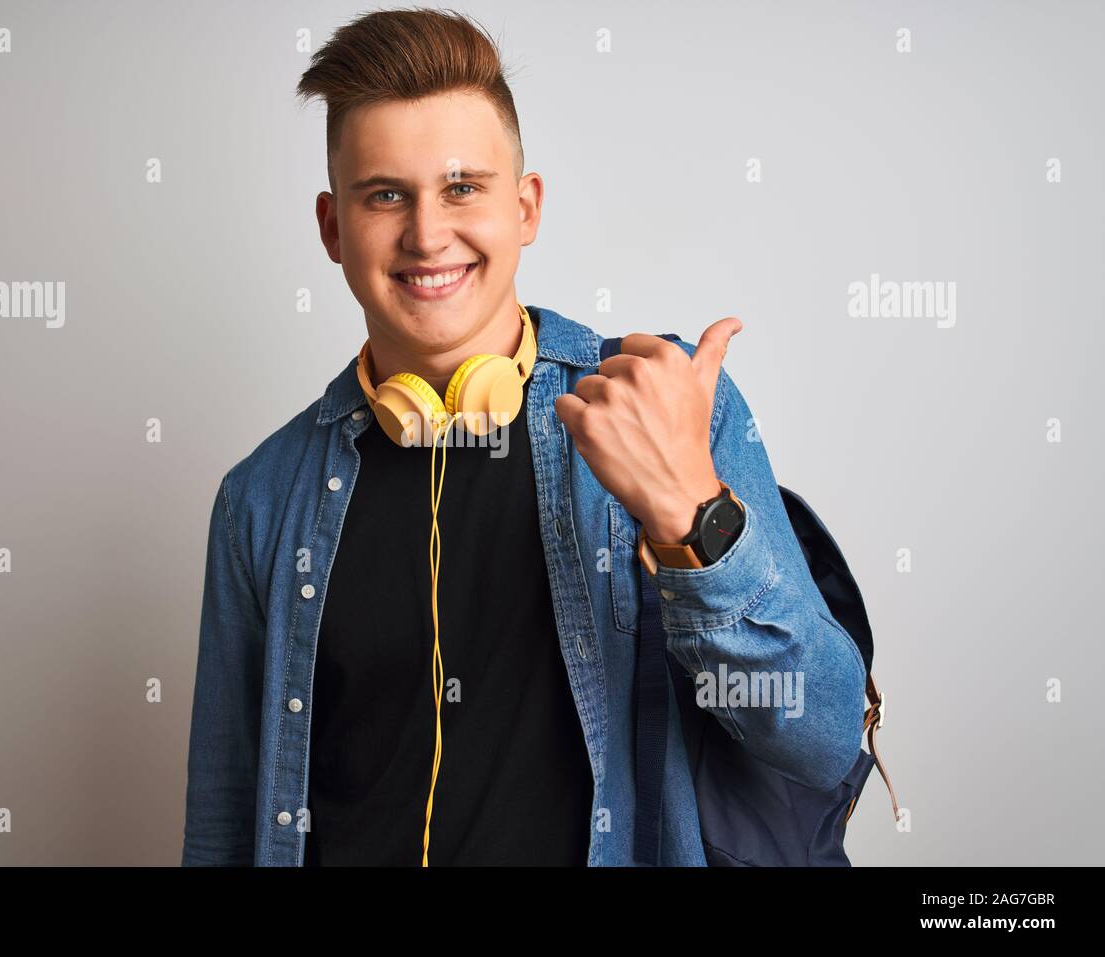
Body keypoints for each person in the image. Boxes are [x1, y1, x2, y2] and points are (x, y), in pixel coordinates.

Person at [182, 7, 866, 867]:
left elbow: (823, 736)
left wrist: (695, 517)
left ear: (525, 205)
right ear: (332, 228)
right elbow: (222, 820)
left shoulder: (667, 404)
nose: (428, 233)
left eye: (463, 187)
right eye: (386, 194)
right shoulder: (261, 498)